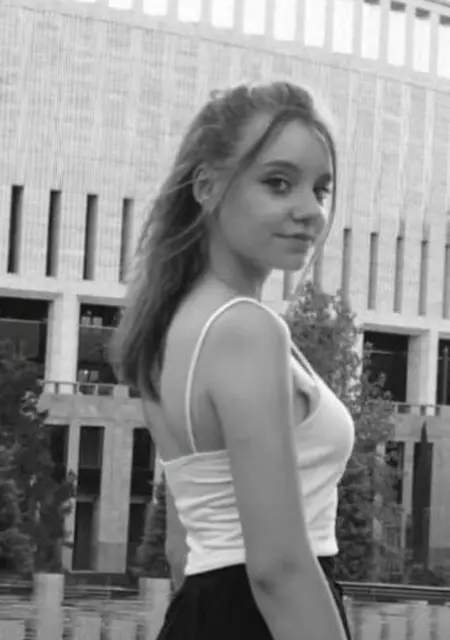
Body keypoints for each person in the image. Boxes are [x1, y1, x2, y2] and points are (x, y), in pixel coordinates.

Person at [112, 80, 354, 640]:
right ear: (207, 186)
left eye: (320, 189)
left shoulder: (170, 326)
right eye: (278, 183)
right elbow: (280, 569)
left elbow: (182, 547)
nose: (309, 212)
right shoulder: (246, 330)